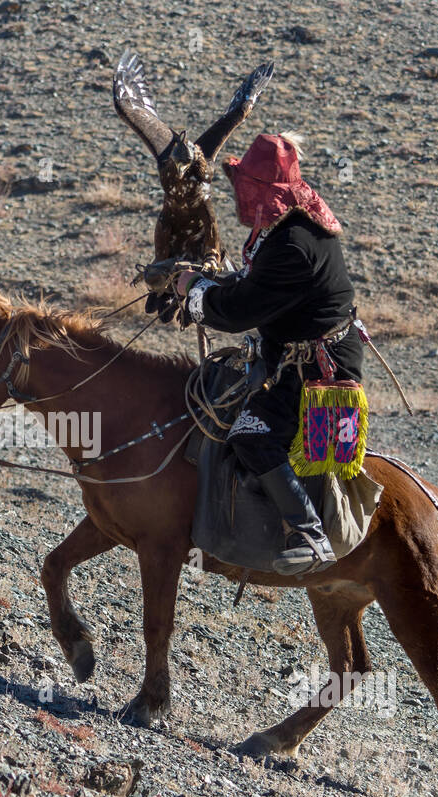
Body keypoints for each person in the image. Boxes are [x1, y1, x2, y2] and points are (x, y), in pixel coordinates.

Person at [171, 132, 363, 576]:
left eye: (246, 185)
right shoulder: (285, 228)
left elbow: (241, 312)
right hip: (289, 353)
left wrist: (193, 291)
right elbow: (257, 289)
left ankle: (309, 533)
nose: (239, 194)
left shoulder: (293, 244)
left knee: (250, 434)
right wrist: (211, 279)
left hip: (319, 370)